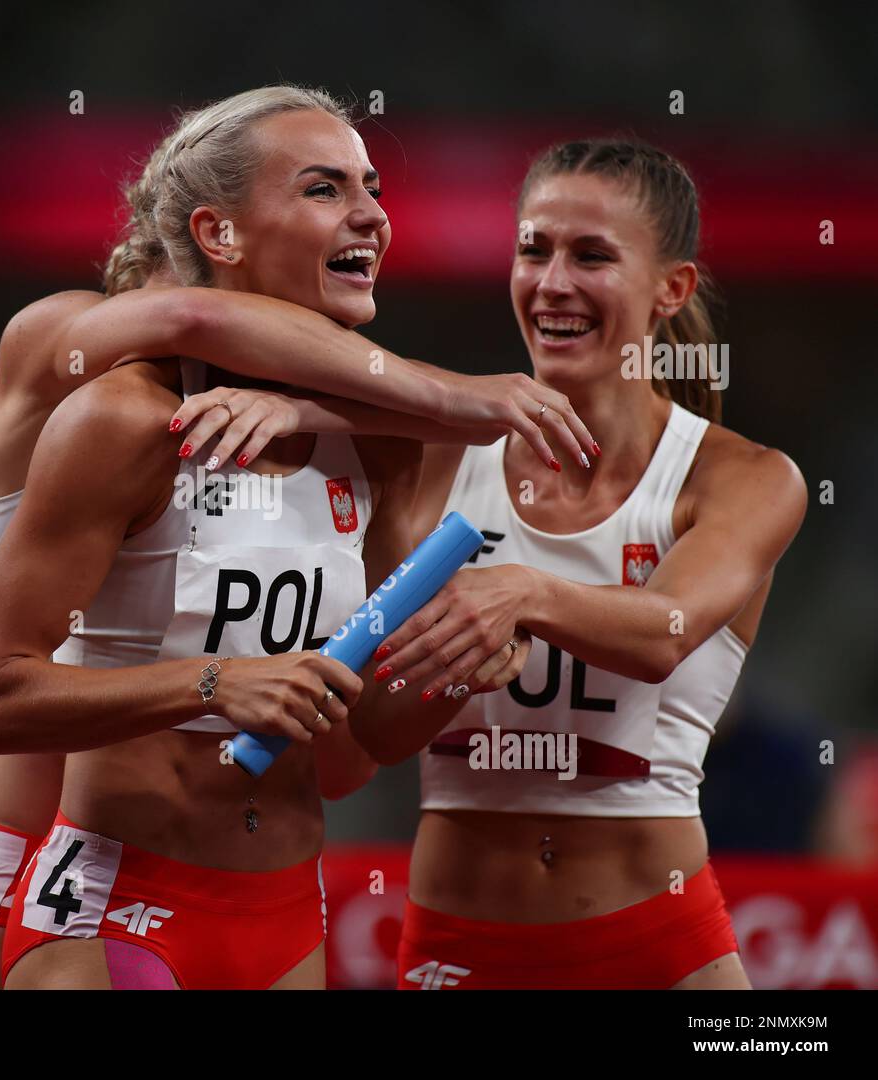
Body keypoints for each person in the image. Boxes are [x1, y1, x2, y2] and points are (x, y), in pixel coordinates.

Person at [0, 98, 594, 988]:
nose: (373, 215)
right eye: (325, 189)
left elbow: (352, 756)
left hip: (283, 911)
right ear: (218, 232)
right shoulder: (89, 372)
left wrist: (451, 669)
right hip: (75, 876)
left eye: (374, 187)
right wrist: (453, 398)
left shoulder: (377, 439)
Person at [346, 138, 807, 990]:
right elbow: (373, 732)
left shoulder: (744, 476)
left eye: (591, 256)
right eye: (534, 249)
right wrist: (454, 669)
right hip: (458, 943)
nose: (553, 282)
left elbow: (662, 634)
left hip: (659, 944)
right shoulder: (437, 464)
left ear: (672, 289)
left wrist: (522, 592)